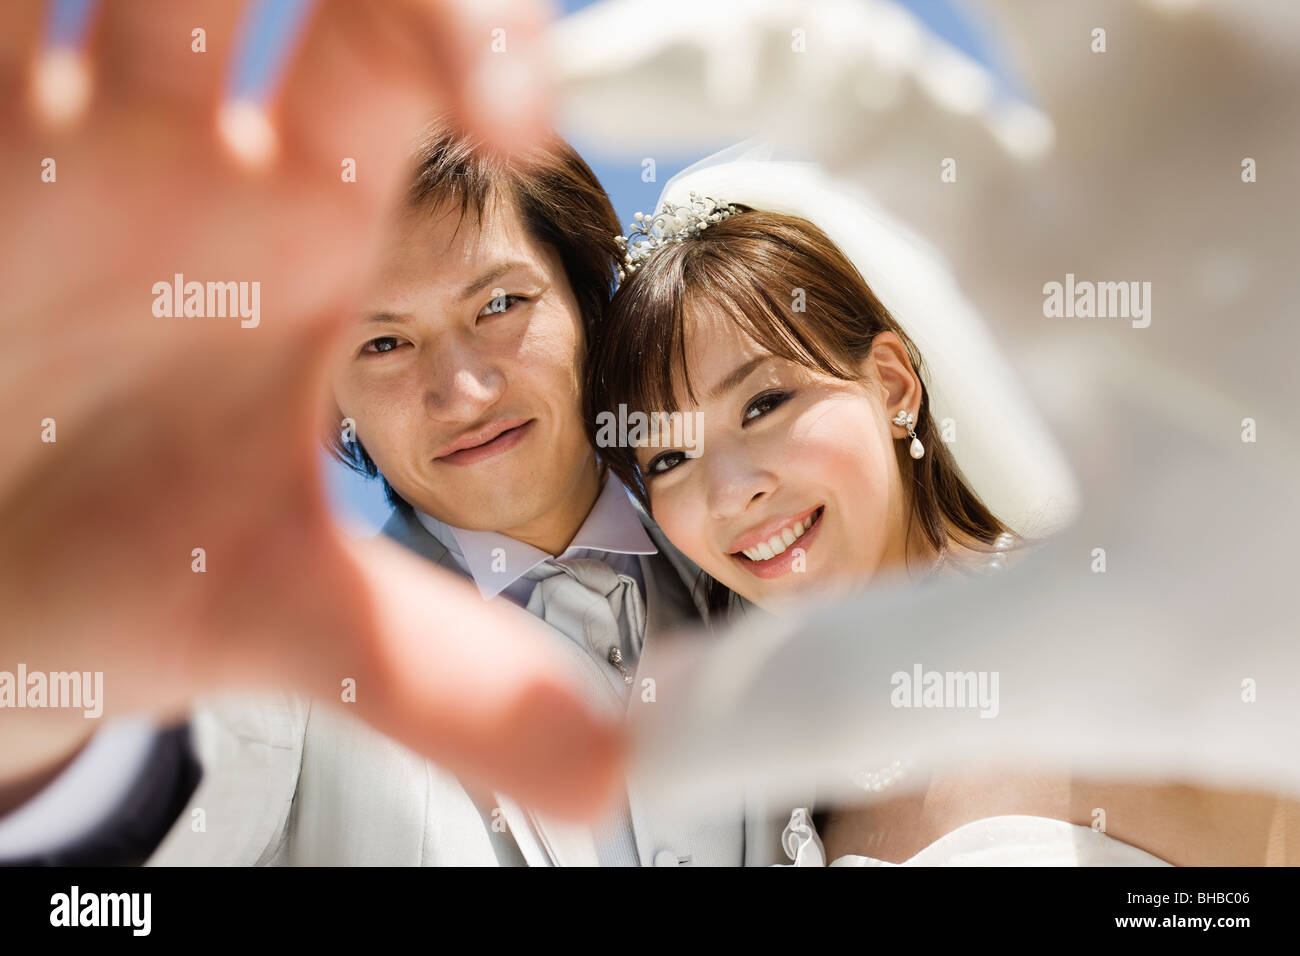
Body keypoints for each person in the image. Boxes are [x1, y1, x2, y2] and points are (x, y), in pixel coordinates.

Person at [0, 1, 781, 866]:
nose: (463, 389)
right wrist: (44, 732)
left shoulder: (759, 571)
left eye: (499, 305)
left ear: (586, 301)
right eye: (382, 343)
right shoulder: (294, 661)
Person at [584, 156, 1300, 866]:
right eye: (668, 460)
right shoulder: (784, 796)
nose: (730, 491)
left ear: (893, 385)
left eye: (766, 404)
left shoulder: (1131, 643)